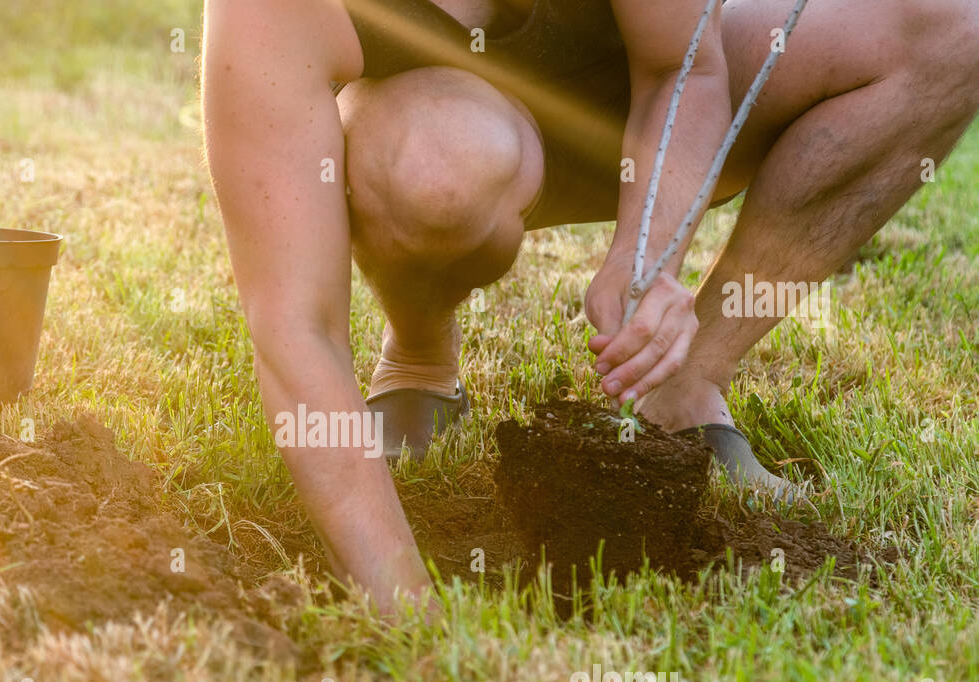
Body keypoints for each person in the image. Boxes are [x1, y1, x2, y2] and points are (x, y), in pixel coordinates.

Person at [202, 0, 979, 614]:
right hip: (439, 130)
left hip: (622, 100)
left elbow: (686, 67)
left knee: (948, 30)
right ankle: (418, 348)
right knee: (439, 171)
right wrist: (405, 609)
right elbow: (294, 326)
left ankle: (682, 381)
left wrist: (649, 257)